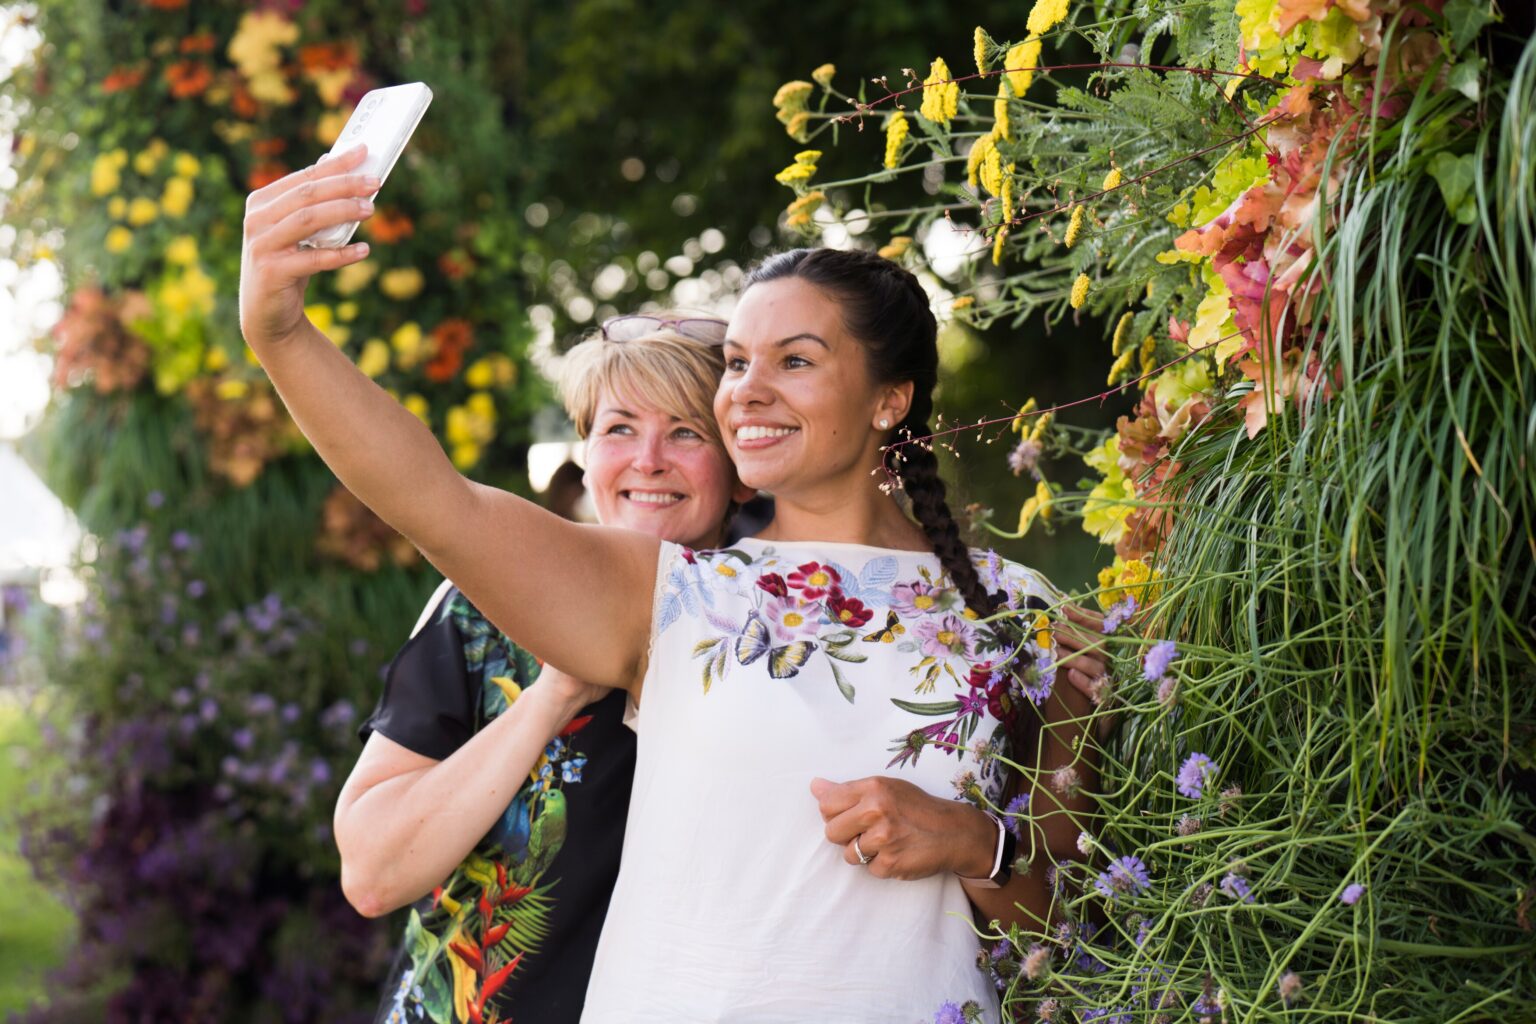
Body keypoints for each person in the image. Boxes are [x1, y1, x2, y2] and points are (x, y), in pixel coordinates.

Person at [239, 145, 1107, 1021]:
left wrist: (975, 843)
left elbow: (1063, 923)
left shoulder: (1020, 616)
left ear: (890, 399)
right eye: (735, 363)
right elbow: (434, 500)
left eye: (795, 361)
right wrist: (280, 336)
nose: (748, 392)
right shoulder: (673, 592)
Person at [333, 318, 752, 1023]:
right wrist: (554, 692)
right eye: (619, 429)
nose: (648, 459)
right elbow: (374, 873)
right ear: (584, 456)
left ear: (740, 471)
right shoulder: (484, 607)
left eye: (686, 432)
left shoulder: (778, 631)